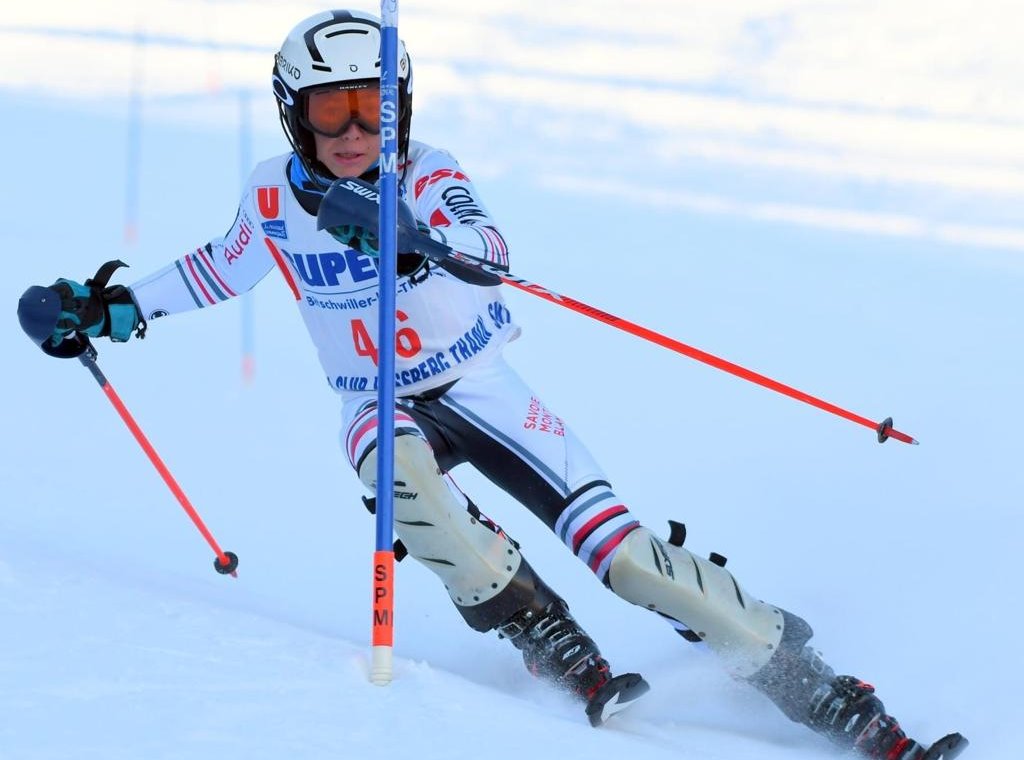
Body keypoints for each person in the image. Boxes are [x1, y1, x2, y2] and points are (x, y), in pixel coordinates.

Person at [25, 10, 963, 757]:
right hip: (377, 397)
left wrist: (411, 237)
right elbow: (219, 269)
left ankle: (805, 677)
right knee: (406, 494)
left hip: (479, 383)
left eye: (372, 107)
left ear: (400, 105)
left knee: (627, 558)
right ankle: (543, 634)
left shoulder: (426, 174)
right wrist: (112, 308)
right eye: (329, 109)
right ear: (290, 114)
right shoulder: (272, 192)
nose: (354, 130)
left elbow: (491, 248)